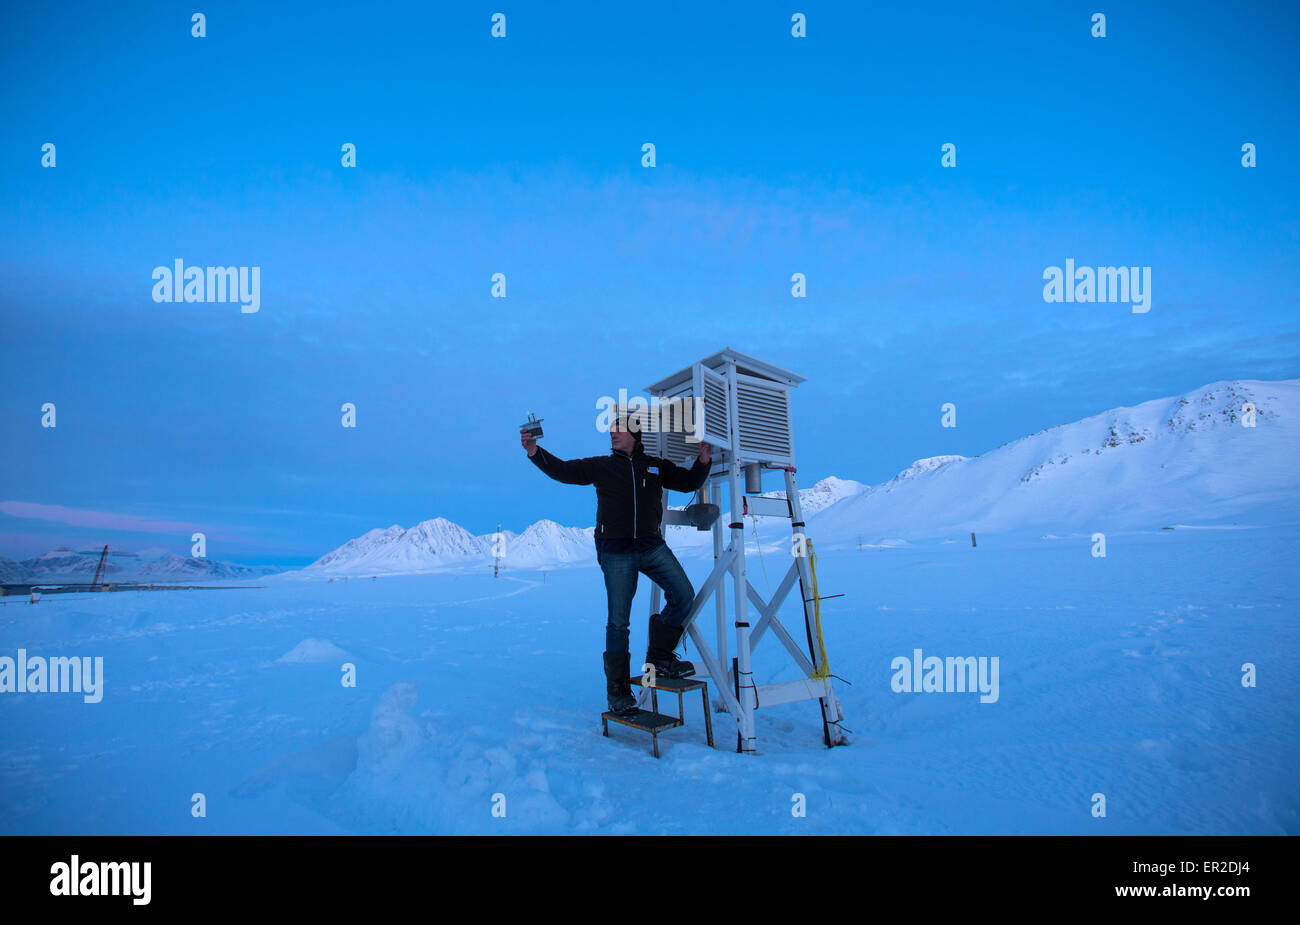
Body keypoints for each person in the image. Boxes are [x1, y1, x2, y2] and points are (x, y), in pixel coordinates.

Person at [521, 414, 712, 716]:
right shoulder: (602, 466)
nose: (613, 434)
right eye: (611, 431)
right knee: (618, 622)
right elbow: (563, 471)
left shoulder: (655, 466)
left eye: (619, 430)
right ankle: (618, 692)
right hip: (616, 551)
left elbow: (687, 482)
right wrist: (534, 452)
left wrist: (703, 460)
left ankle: (660, 656)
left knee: (684, 594)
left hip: (651, 545)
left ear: (635, 435)